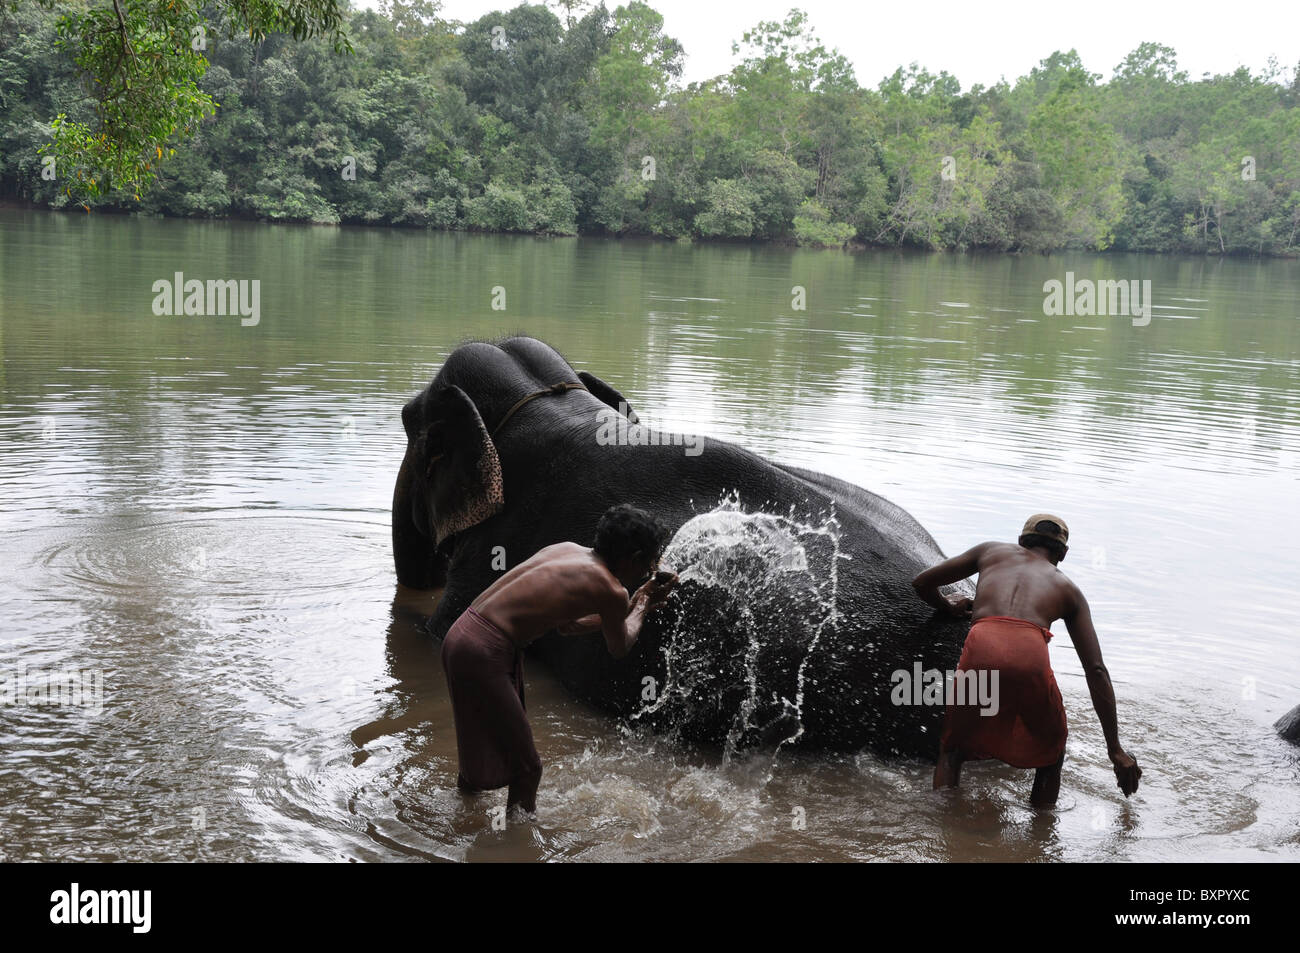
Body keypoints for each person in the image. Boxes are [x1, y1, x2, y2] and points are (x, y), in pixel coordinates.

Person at [441, 504, 678, 814]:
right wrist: (643, 604)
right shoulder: (610, 589)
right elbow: (619, 646)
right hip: (485, 652)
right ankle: (515, 848)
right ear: (632, 559)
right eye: (646, 565)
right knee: (528, 769)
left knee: (477, 747)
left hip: (461, 635)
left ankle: (461, 816)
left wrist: (631, 607)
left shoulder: (566, 550)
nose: (646, 573)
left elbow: (568, 626)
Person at [911, 514, 1141, 807]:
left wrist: (948, 605)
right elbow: (1095, 669)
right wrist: (1115, 749)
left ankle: (946, 823)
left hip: (982, 645)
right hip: (1028, 655)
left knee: (953, 750)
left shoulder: (990, 551)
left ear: (1021, 541)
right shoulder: (1068, 589)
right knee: (1051, 754)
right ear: (1063, 554)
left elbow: (921, 583)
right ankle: (1040, 833)